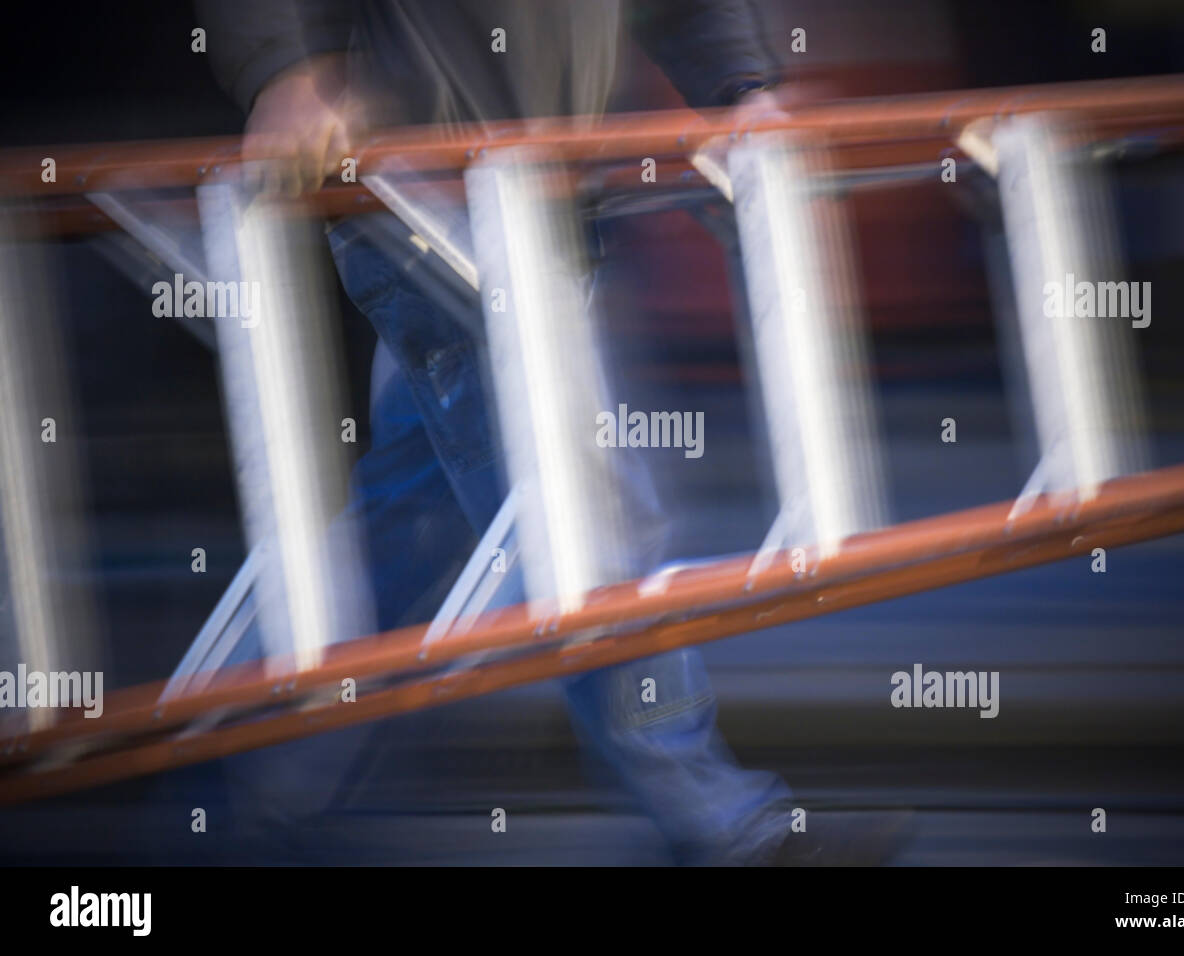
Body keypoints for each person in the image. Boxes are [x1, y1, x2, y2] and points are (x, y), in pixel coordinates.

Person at [197, 0, 901, 865]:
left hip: (542, 205)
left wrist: (742, 89)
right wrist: (285, 67)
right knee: (591, 516)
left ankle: (230, 791)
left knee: (417, 528)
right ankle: (725, 826)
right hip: (426, 203)